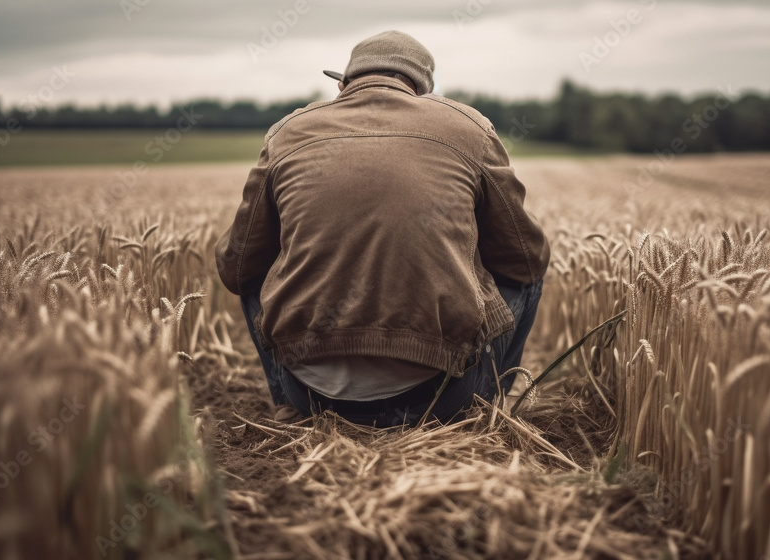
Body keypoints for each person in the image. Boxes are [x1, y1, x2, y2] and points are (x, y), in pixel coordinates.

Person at [215, 30, 550, 427]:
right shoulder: (468, 127)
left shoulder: (286, 132)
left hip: (310, 396)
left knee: (254, 269)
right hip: (441, 397)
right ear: (421, 90)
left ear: (343, 85)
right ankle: (488, 406)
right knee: (529, 276)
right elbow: (527, 262)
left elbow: (237, 270)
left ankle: (285, 404)